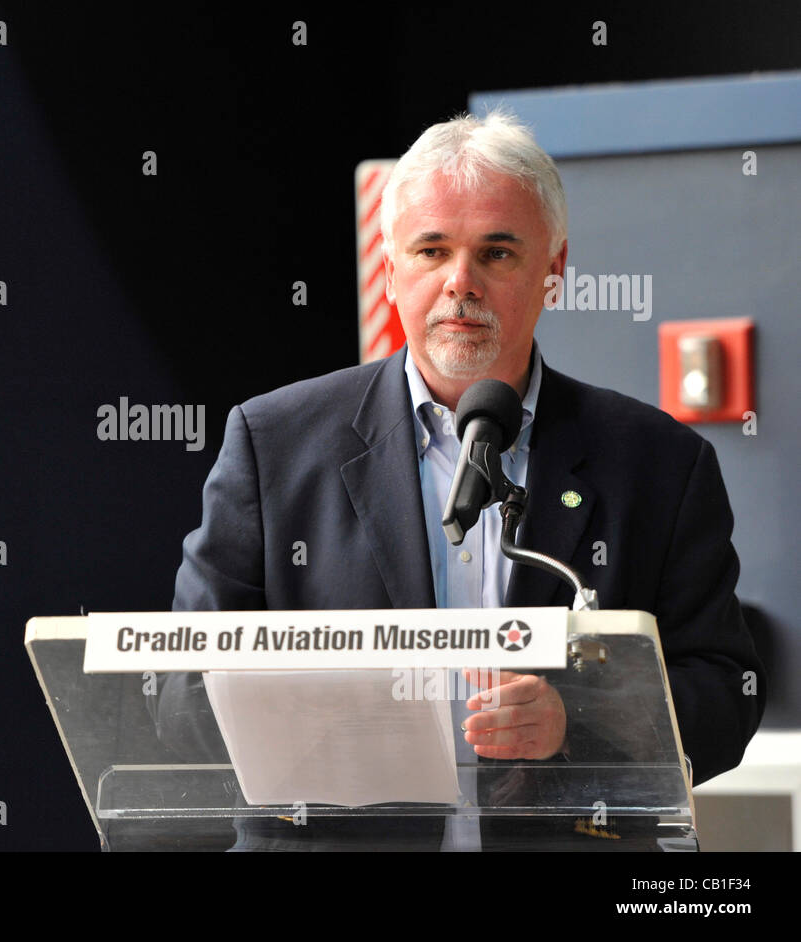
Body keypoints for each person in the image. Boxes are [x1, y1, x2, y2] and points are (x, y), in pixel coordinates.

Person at [154, 110, 765, 849]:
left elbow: (728, 693)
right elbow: (182, 688)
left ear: (555, 270)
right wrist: (319, 713)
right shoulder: (272, 445)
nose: (460, 283)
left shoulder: (660, 463)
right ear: (390, 269)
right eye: (431, 250)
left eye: (497, 253)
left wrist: (578, 717)